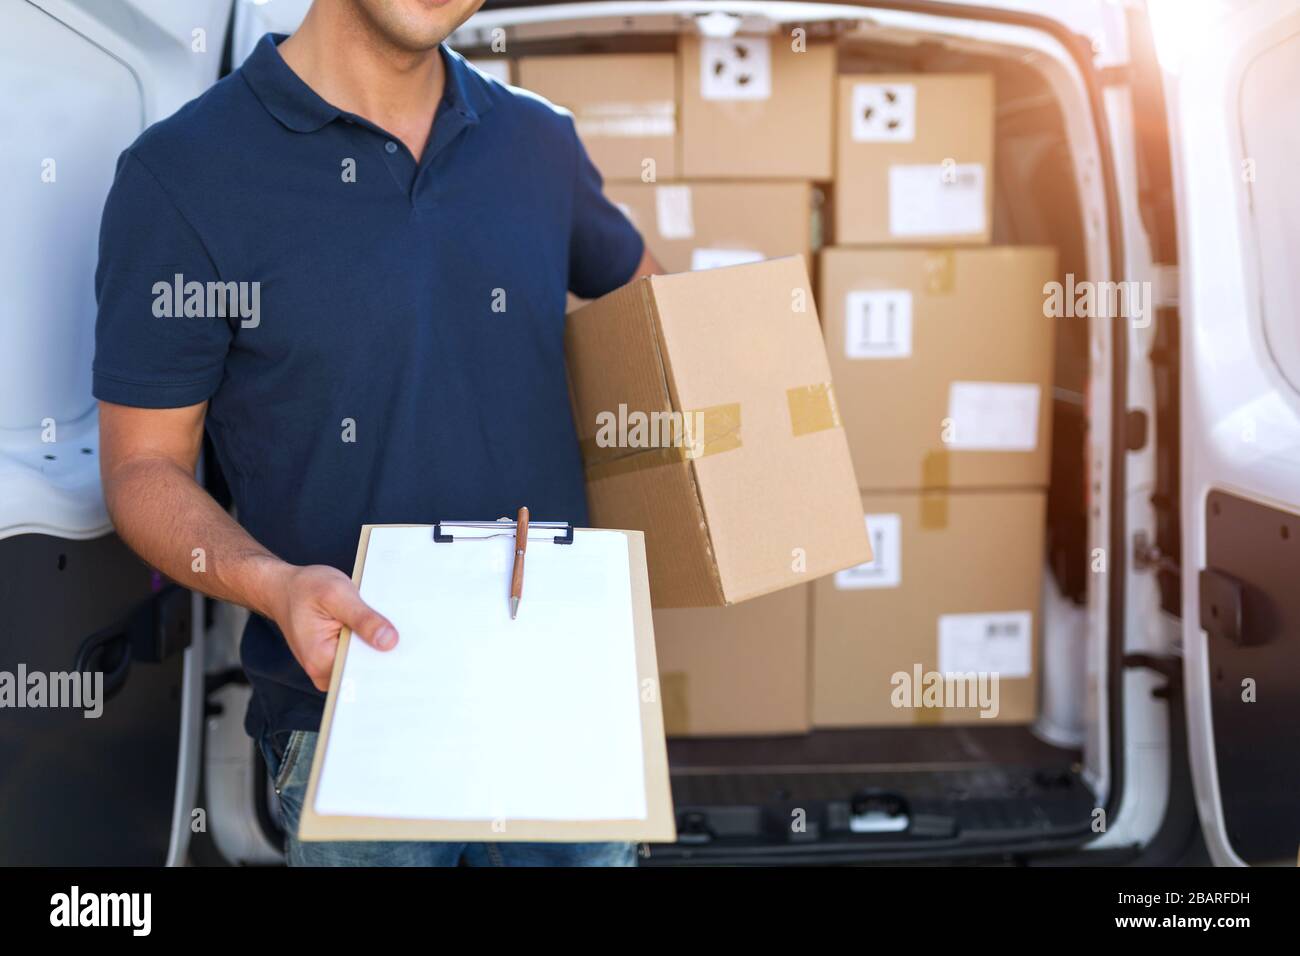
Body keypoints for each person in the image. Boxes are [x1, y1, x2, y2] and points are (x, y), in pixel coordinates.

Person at [93, 0, 658, 867]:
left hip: (562, 706)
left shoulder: (539, 142)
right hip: (349, 722)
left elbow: (661, 332)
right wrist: (275, 585)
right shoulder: (182, 175)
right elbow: (143, 468)